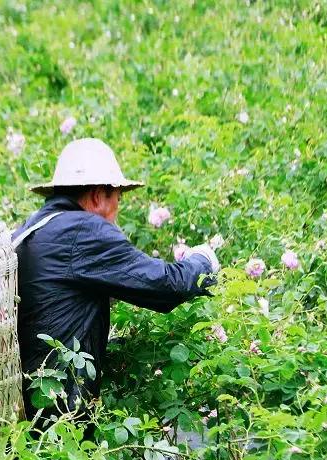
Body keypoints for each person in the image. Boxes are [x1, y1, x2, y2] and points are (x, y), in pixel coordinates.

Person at [12, 138, 220, 432]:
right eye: (118, 199)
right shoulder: (83, 229)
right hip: (58, 420)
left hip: (28, 407)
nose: (117, 210)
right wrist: (203, 262)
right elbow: (166, 285)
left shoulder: (34, 227)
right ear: (98, 196)